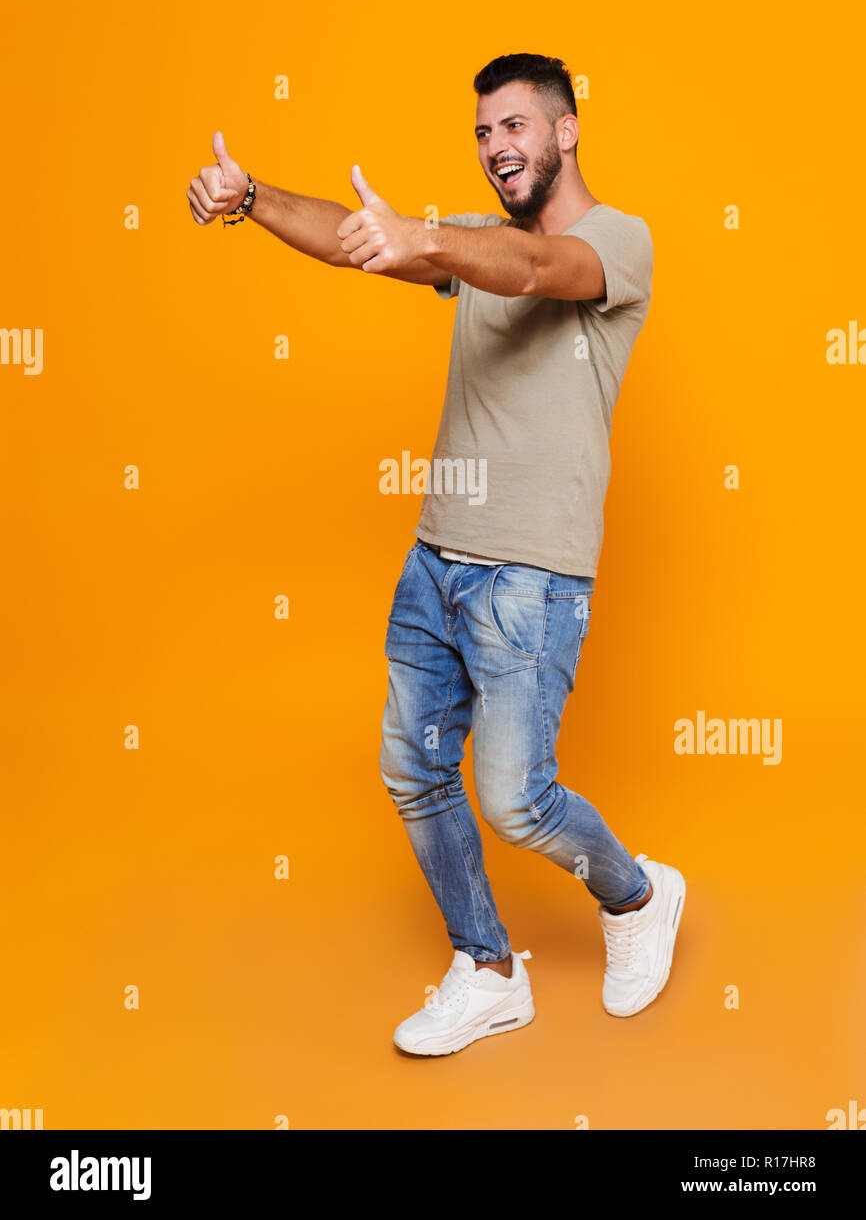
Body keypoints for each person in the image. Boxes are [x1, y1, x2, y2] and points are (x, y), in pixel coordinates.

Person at [186, 51, 685, 1059]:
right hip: (435, 563)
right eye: (482, 133)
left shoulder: (612, 242)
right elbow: (346, 240)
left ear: (565, 130)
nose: (496, 146)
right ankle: (488, 968)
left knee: (514, 797)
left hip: (532, 578)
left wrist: (433, 241)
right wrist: (251, 199)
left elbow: (542, 271)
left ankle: (634, 896)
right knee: (412, 772)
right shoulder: (470, 245)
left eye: (514, 125)